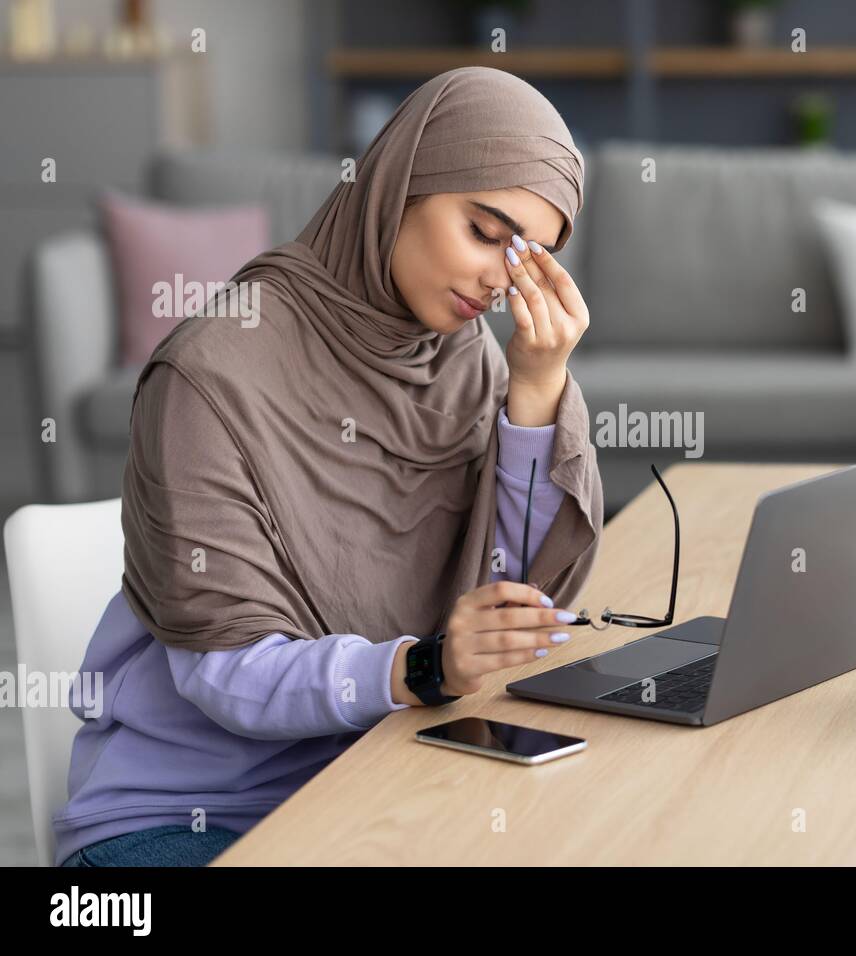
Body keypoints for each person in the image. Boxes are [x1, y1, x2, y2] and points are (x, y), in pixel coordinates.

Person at [55, 67, 603, 867]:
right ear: (397, 186)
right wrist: (419, 666)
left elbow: (508, 605)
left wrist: (536, 390)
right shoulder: (212, 376)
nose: (499, 280)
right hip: (181, 817)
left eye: (530, 259)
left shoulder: (467, 365)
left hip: (376, 780)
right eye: (485, 233)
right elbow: (224, 671)